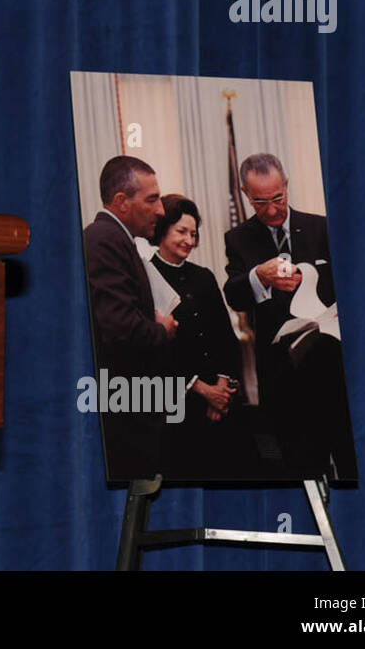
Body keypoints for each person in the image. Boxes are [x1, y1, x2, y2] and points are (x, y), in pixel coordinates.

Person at [222, 153, 357, 480]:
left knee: (351, 462)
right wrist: (259, 276)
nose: (270, 210)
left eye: (277, 198)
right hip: (283, 379)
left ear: (286, 185)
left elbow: (352, 283)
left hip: (333, 372)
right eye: (259, 201)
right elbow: (234, 294)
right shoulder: (238, 239)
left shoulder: (321, 227)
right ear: (244, 193)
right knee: (302, 469)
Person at [148, 194, 257, 479]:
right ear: (162, 230)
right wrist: (203, 391)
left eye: (194, 234)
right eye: (181, 231)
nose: (189, 240)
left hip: (222, 401)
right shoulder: (146, 277)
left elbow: (225, 336)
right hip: (178, 406)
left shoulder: (204, 276)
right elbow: (154, 350)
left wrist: (221, 389)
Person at [81, 155, 176, 480]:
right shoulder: (104, 239)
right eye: (152, 199)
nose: (161, 210)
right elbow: (119, 328)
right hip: (126, 409)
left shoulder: (117, 240)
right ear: (121, 202)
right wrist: (161, 330)